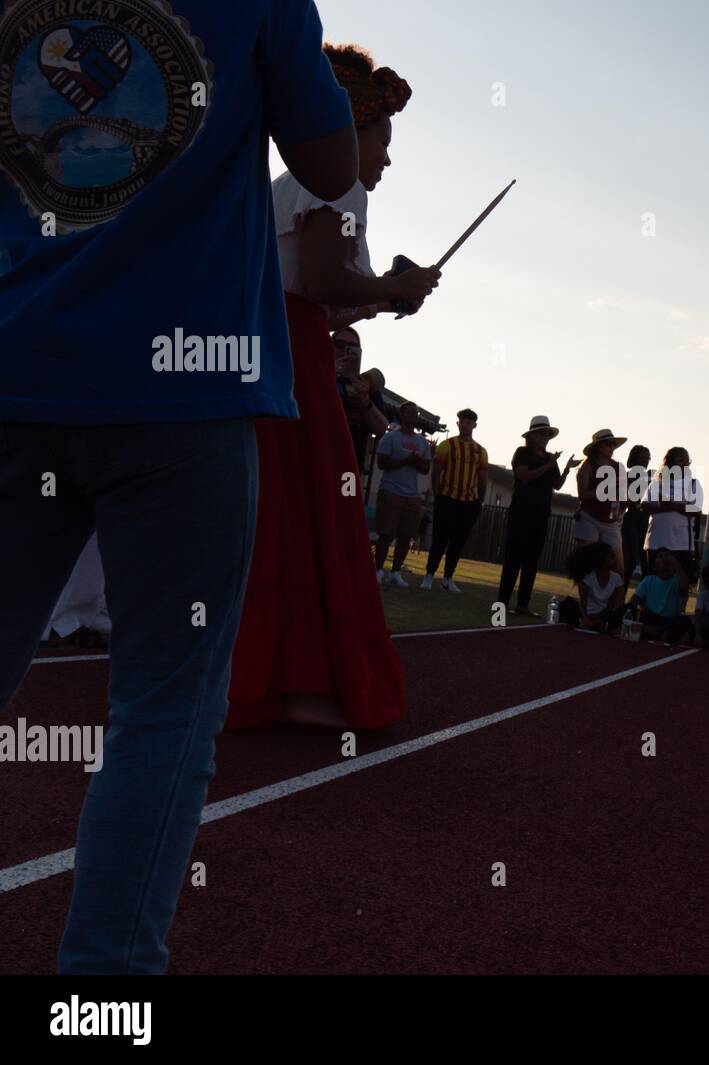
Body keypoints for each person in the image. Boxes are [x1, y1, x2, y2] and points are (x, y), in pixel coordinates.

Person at [0, 0, 359, 973]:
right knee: (164, 711)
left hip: (19, 358)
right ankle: (105, 987)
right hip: (182, 389)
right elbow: (333, 167)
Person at [227, 43, 438, 733]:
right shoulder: (336, 181)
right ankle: (296, 683)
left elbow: (317, 291)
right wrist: (393, 287)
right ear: (353, 130)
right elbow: (319, 284)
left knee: (275, 516)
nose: (385, 158)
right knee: (310, 513)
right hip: (293, 360)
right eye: (382, 140)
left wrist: (384, 297)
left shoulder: (286, 184)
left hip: (270, 348)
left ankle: (262, 674)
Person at [498, 416, 580, 616]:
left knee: (532, 560)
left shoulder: (549, 458)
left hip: (541, 513)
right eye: (541, 433)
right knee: (513, 559)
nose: (545, 437)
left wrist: (567, 469)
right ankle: (501, 604)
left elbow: (557, 485)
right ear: (532, 435)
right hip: (521, 512)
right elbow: (524, 477)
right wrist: (549, 463)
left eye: (547, 434)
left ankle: (523, 604)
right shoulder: (523, 453)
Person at [423, 409, 489, 592]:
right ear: (458, 424)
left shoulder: (480, 451)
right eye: (462, 421)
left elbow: (482, 479)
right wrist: (437, 495)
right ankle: (429, 575)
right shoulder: (447, 445)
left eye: (469, 422)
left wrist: (479, 502)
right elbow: (436, 472)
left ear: (475, 425)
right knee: (439, 538)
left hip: (468, 502)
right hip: (447, 498)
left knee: (458, 541)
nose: (465, 424)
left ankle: (448, 577)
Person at [374, 401, 431, 586]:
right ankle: (378, 570)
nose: (414, 417)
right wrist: (406, 460)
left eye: (417, 414)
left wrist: (419, 461)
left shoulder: (422, 442)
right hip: (391, 490)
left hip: (412, 493)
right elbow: (381, 463)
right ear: (402, 415)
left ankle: (396, 572)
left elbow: (425, 468)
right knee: (385, 533)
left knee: (406, 536)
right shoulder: (391, 437)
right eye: (411, 413)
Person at [334, 328, 390, 471]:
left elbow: (381, 429)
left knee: (349, 494)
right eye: (339, 345)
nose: (346, 350)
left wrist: (364, 399)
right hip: (312, 462)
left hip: (350, 469)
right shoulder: (314, 375)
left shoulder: (366, 387)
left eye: (353, 347)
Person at [644, 446, 702, 583]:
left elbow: (696, 510)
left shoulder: (693, 484)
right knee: (653, 584)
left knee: (679, 586)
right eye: (681, 460)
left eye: (687, 461)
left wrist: (673, 506)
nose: (685, 465)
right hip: (656, 543)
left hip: (681, 545)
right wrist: (663, 507)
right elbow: (645, 505)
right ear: (669, 462)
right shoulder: (657, 482)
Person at [574, 429, 627, 574]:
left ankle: (614, 597)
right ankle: (586, 597)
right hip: (589, 517)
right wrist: (604, 488)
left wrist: (620, 510)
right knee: (587, 565)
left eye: (613, 444)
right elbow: (583, 495)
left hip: (611, 521)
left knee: (618, 568)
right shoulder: (587, 466)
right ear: (597, 446)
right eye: (608, 444)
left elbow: (622, 496)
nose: (612, 448)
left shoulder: (618, 467)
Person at [629, 550, 692, 644]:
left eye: (667, 555)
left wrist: (677, 565)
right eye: (660, 556)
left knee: (684, 620)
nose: (664, 558)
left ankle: (649, 631)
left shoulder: (677, 580)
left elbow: (684, 587)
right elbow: (633, 600)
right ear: (655, 564)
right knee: (628, 610)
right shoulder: (649, 580)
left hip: (669, 619)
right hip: (650, 617)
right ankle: (659, 634)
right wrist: (643, 607)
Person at [566, 542, 628, 633]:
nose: (615, 559)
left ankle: (600, 625)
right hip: (587, 615)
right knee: (567, 604)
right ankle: (590, 624)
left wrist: (598, 618)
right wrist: (585, 618)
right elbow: (583, 605)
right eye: (611, 557)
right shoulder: (587, 577)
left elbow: (613, 607)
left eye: (614, 556)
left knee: (624, 610)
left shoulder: (617, 579)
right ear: (600, 560)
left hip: (604, 616)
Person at [621, 445, 654, 584]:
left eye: (648, 456)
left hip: (647, 521)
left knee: (647, 565)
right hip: (631, 519)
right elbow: (621, 500)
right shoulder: (626, 476)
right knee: (629, 561)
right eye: (642, 456)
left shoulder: (651, 477)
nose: (646, 459)